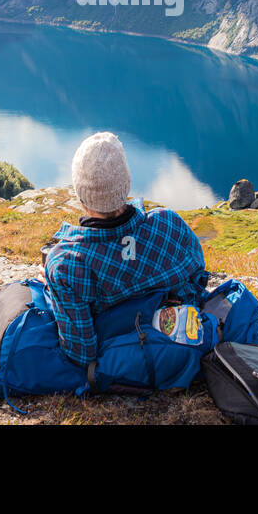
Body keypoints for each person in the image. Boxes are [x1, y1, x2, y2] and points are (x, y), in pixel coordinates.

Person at [44, 131, 208, 367]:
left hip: (120, 365)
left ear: (80, 193)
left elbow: (80, 355)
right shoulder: (169, 224)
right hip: (181, 345)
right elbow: (198, 278)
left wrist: (54, 291)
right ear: (126, 182)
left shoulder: (64, 264)